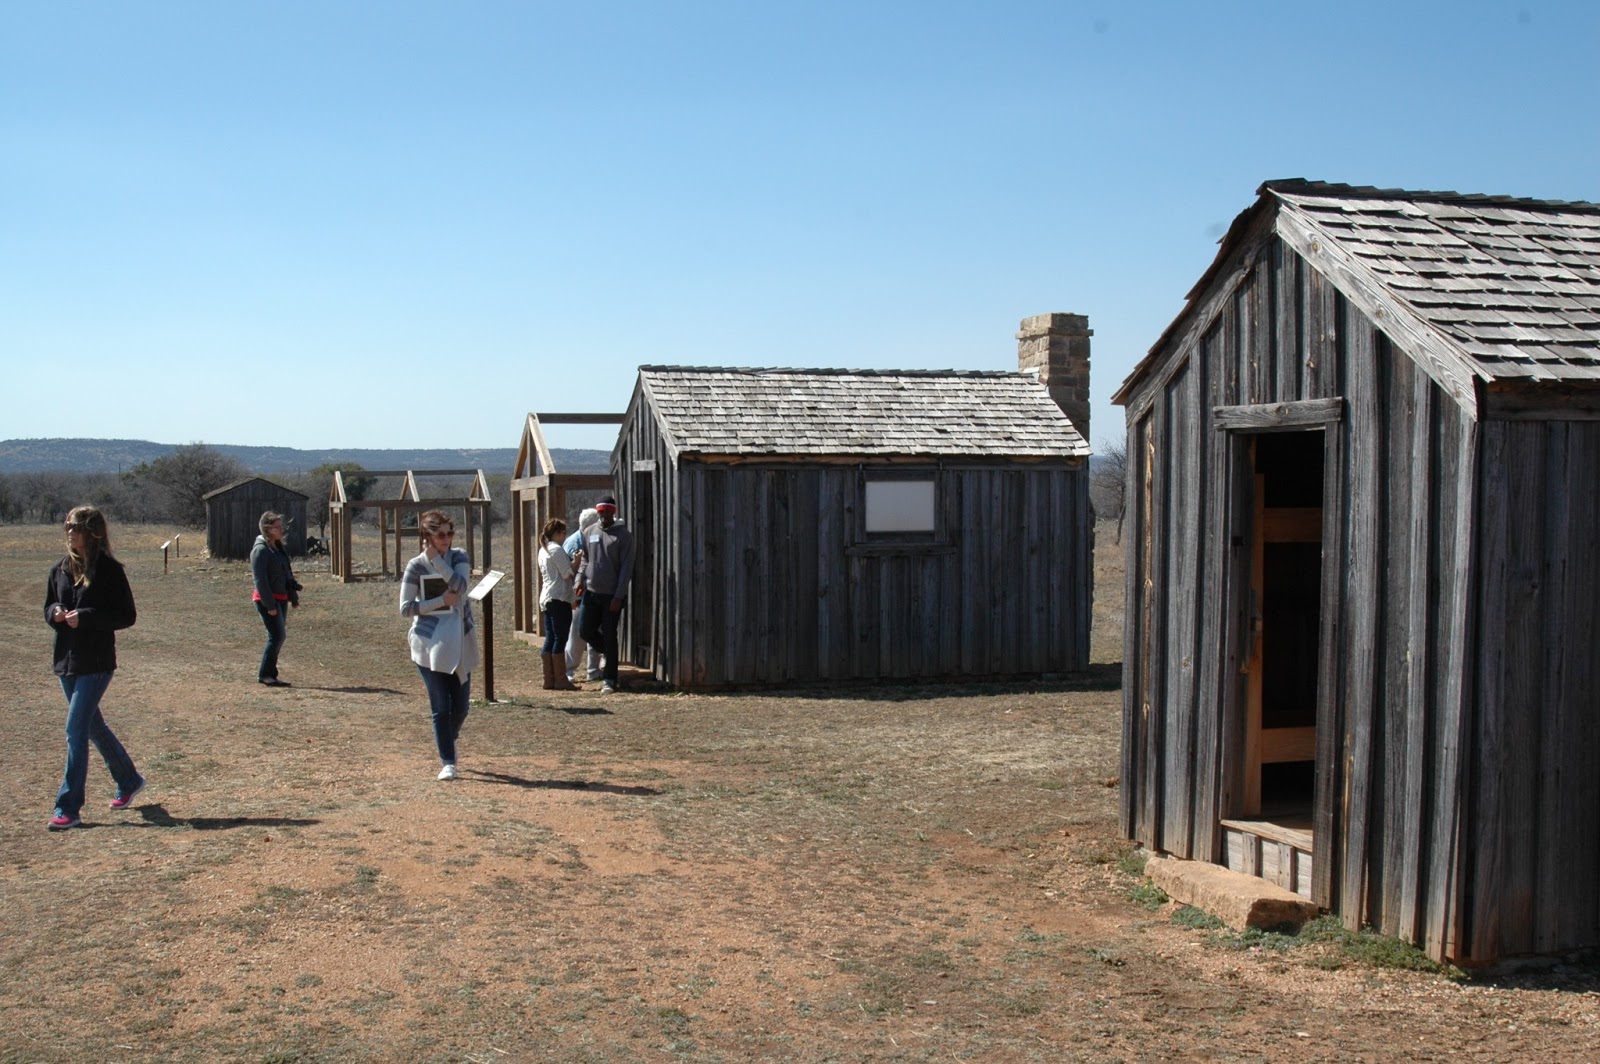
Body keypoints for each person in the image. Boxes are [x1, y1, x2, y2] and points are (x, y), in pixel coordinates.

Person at [43, 506, 145, 831]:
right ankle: (128, 780)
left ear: (92, 532)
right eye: (67, 527)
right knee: (91, 727)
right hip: (67, 661)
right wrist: (55, 612)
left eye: (76, 528)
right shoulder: (59, 569)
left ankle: (68, 808)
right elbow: (47, 607)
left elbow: (126, 616)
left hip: (97, 663)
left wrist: (86, 617)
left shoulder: (110, 571)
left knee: (75, 731)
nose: (70, 533)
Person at [400, 510, 479, 780]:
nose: (446, 539)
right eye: (440, 534)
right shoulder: (415, 566)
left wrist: (437, 561)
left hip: (460, 639)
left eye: (449, 533)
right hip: (428, 643)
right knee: (440, 706)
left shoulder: (459, 557)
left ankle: (449, 735)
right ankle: (448, 761)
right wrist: (438, 602)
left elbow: (460, 585)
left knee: (461, 708)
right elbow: (406, 608)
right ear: (428, 536)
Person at [576, 494, 635, 694]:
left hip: (612, 596)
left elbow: (626, 569)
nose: (604, 516)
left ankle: (610, 678)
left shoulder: (624, 536)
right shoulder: (589, 531)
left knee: (610, 634)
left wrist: (619, 596)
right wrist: (579, 580)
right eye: (601, 512)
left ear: (614, 512)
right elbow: (585, 558)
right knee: (584, 630)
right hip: (591, 592)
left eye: (608, 512)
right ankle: (609, 654)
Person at [249, 510, 302, 687]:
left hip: (281, 597)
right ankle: (265, 674)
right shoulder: (260, 550)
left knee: (278, 636)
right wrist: (269, 604)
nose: (281, 530)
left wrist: (292, 590)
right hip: (267, 600)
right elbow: (260, 580)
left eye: (281, 526)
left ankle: (271, 674)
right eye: (276, 527)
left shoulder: (277, 547)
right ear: (267, 528)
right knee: (277, 636)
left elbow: (285, 571)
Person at [537, 518, 580, 690]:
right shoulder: (556, 549)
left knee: (551, 637)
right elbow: (566, 573)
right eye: (563, 533)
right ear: (557, 533)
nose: (564, 536)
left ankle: (549, 679)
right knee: (560, 637)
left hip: (547, 597)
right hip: (558, 597)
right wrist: (577, 561)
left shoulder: (544, 549)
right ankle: (560, 679)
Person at [563, 507, 604, 684]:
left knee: (593, 632)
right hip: (577, 596)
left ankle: (593, 671)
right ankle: (568, 670)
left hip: (592, 594)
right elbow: (569, 572)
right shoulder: (576, 543)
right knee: (577, 635)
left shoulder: (584, 538)